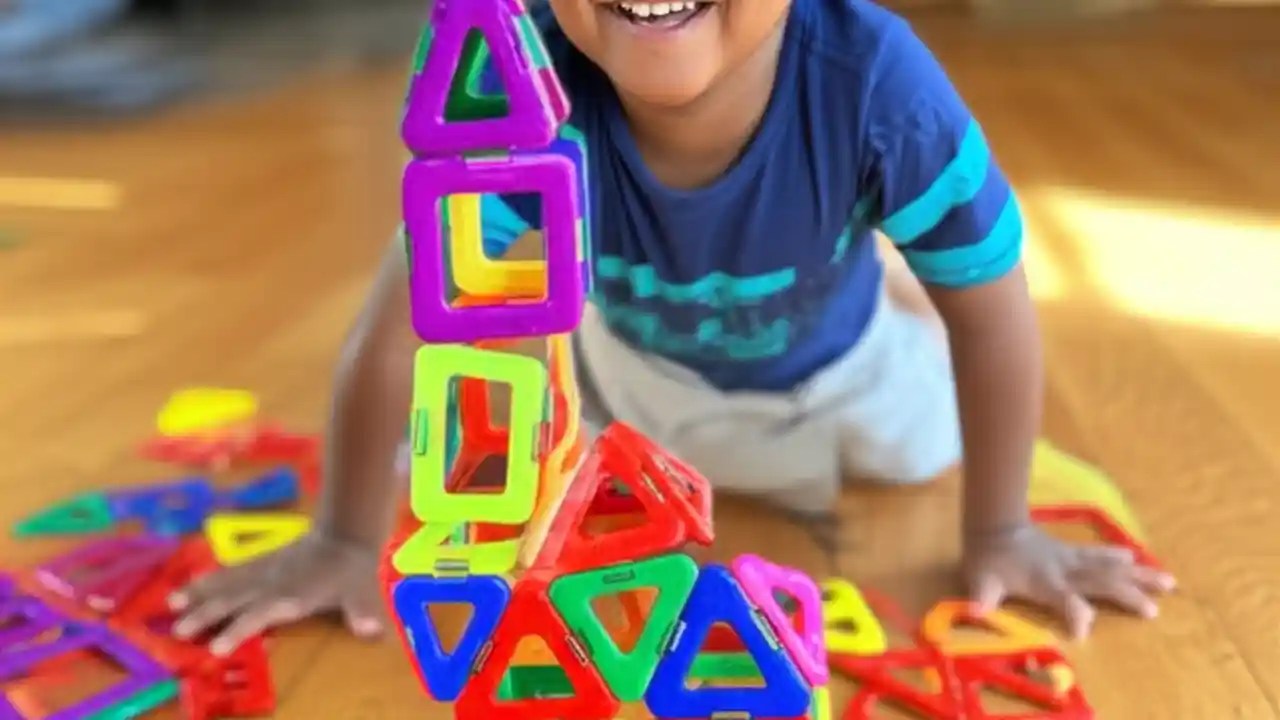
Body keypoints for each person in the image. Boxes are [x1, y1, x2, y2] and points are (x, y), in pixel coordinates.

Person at [168, 0, 1177, 657]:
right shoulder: (524, 87)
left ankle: (879, 268)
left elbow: (992, 311)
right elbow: (406, 321)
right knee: (532, 467)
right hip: (631, 371)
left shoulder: (877, 89)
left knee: (921, 445)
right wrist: (344, 536)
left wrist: (998, 529)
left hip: (842, 368)